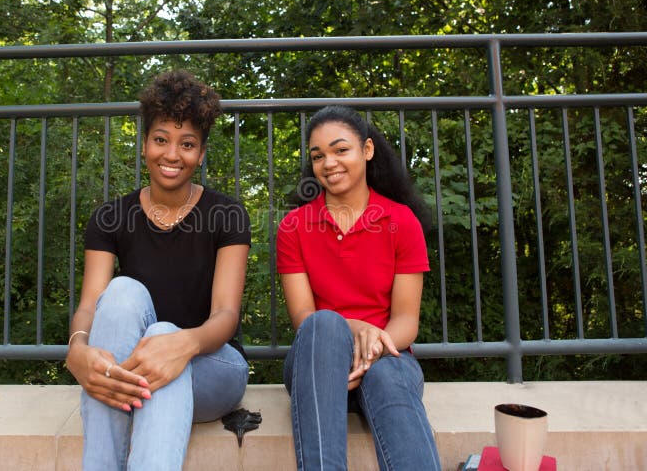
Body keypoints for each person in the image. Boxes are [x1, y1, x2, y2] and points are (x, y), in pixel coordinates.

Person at [66, 70, 251, 470]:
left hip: (213, 365)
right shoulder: (111, 217)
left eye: (187, 144)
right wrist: (77, 348)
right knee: (121, 292)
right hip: (138, 367)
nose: (172, 154)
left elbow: (226, 314)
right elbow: (90, 306)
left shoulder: (227, 214)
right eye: (161, 139)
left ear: (201, 153)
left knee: (162, 339)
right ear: (145, 144)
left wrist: (180, 344)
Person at [276, 105, 440, 470]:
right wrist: (359, 329)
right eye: (318, 156)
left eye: (340, 150)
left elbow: (406, 320)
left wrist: (374, 347)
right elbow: (304, 319)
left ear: (366, 150)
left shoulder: (402, 221)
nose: (329, 163)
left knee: (388, 377)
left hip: (387, 356)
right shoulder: (294, 227)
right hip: (316, 363)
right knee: (323, 324)